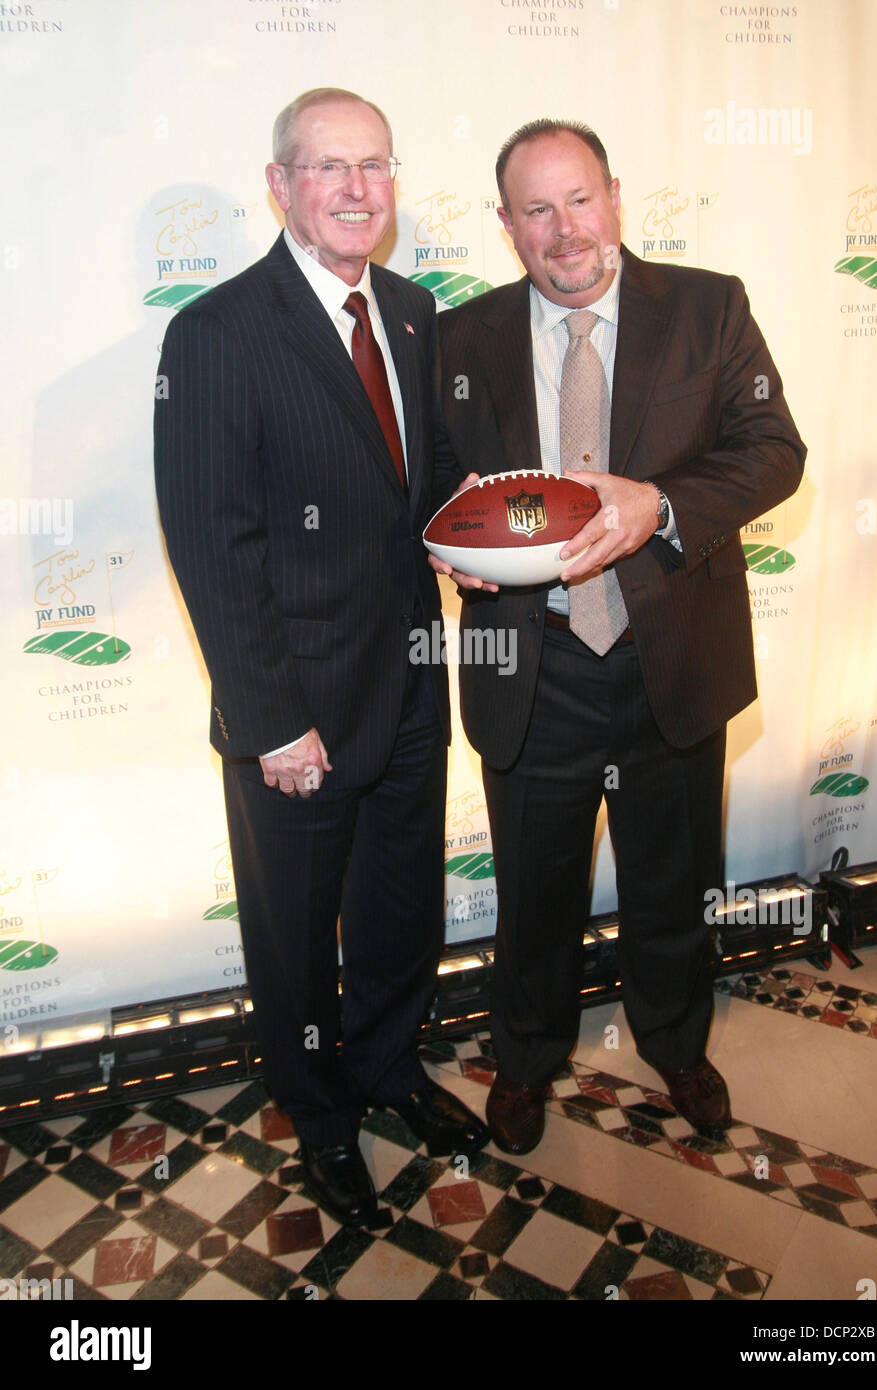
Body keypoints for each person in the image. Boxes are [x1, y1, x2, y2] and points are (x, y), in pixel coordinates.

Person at [432, 118, 806, 1155]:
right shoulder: (460, 338)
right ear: (505, 225)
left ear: (615, 196)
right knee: (533, 886)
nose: (564, 229)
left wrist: (661, 502)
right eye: (537, 210)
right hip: (530, 659)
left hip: (670, 659)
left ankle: (677, 1043)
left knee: (672, 874)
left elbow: (774, 450)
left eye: (580, 199)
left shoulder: (706, 305)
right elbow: (427, 487)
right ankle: (525, 1055)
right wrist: (443, 537)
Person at [154, 87, 487, 1227]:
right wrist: (269, 721)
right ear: (281, 187)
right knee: (294, 931)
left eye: (375, 166)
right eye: (329, 167)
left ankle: (391, 1069)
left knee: (401, 901)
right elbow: (213, 547)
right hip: (293, 707)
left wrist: (477, 541)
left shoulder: (410, 309)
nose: (356, 188)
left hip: (406, 683)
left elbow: (426, 481)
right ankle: (320, 1110)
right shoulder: (213, 333)